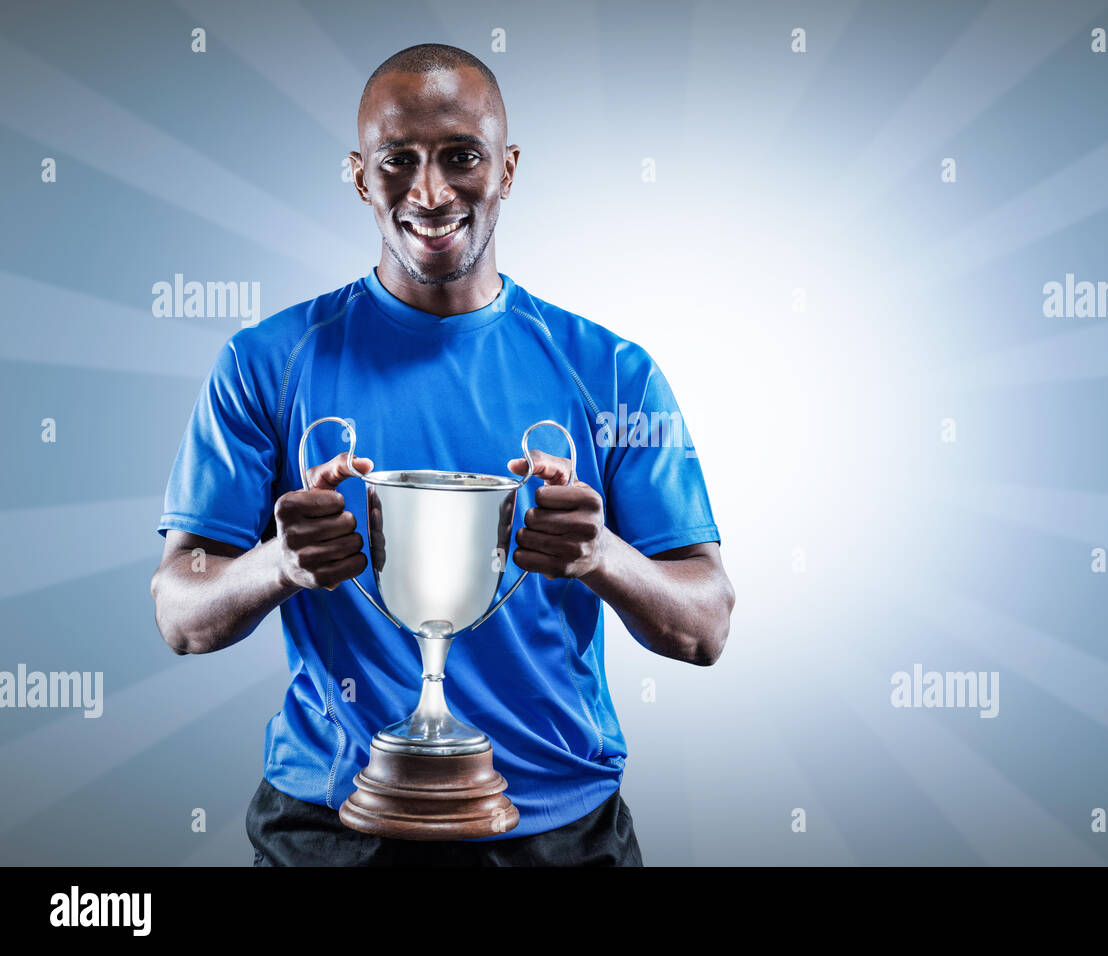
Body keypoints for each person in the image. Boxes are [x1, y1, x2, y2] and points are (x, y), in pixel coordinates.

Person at [149, 43, 735, 867]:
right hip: (332, 824)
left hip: (558, 828)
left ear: (507, 168)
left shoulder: (613, 372)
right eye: (399, 161)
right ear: (360, 176)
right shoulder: (265, 362)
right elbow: (180, 613)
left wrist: (601, 557)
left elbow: (705, 625)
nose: (430, 192)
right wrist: (280, 564)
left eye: (461, 156)